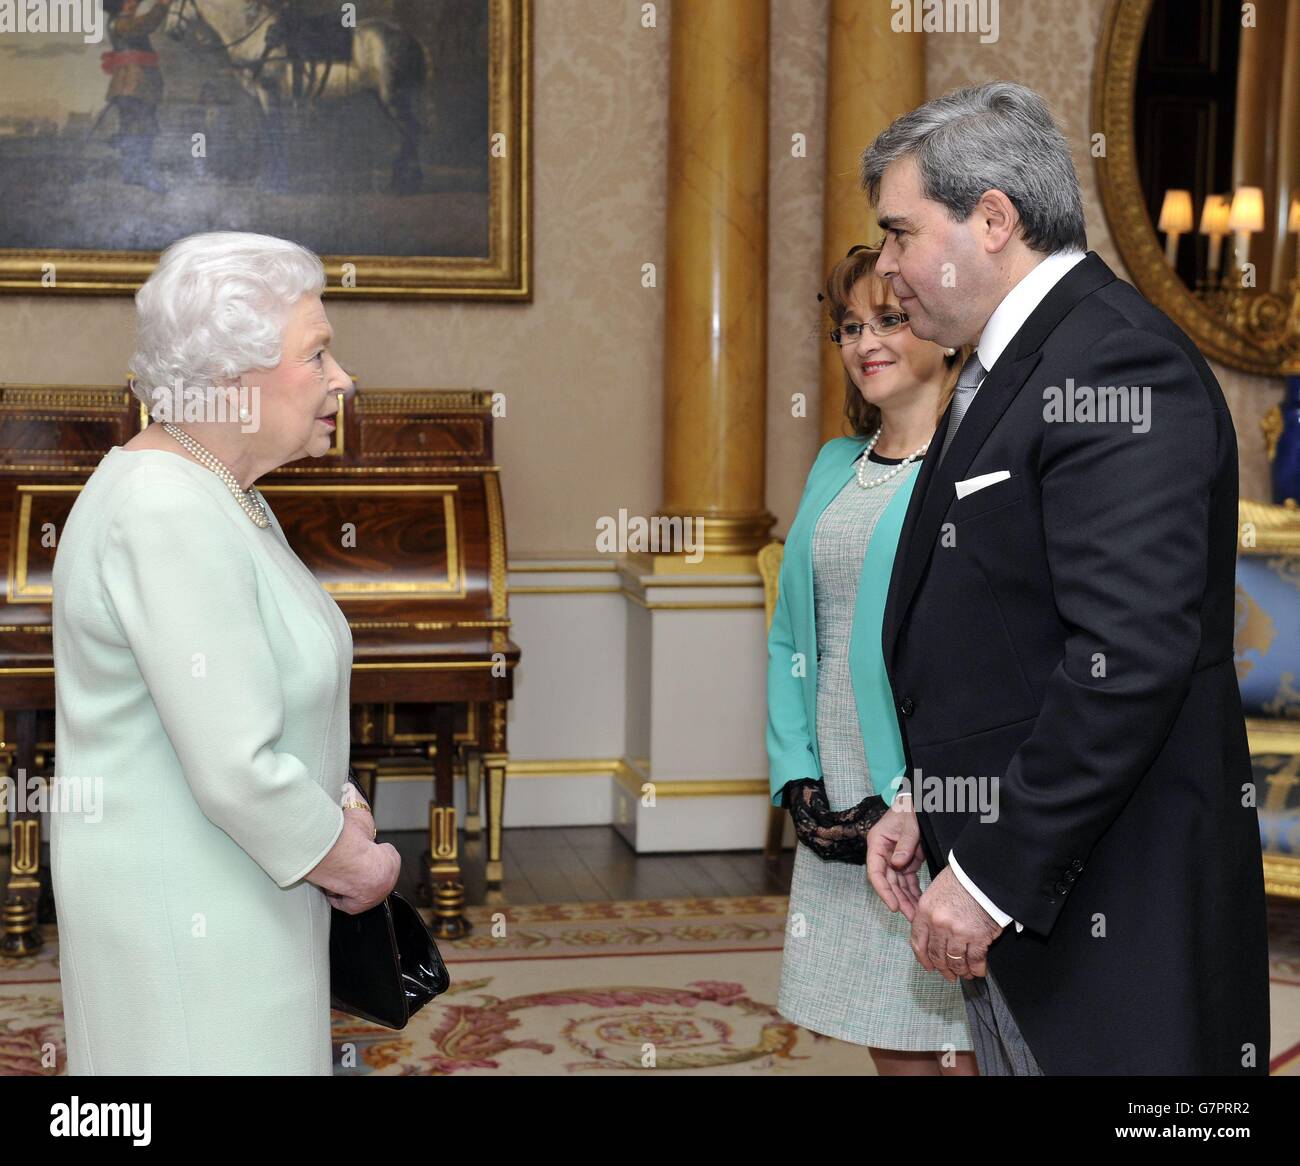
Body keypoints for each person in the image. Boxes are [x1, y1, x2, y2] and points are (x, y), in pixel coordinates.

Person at [859, 81, 1271, 1075]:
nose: (885, 267)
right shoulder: (1015, 361)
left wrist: (991, 876)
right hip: (1042, 894)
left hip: (1112, 907)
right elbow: (1014, 633)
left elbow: (1125, 657)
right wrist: (937, 799)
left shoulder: (1116, 361)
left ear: (991, 219)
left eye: (899, 232)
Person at [50, 231, 401, 1074]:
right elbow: (236, 763)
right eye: (317, 354)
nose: (342, 378)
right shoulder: (168, 506)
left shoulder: (219, 492)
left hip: (240, 889)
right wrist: (353, 860)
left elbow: (275, 687)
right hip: (190, 917)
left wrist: (339, 801)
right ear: (234, 379)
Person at [768, 244, 977, 1076]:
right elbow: (790, 635)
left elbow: (974, 654)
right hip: (839, 792)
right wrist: (800, 779)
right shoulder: (830, 466)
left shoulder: (972, 474)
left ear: (946, 331)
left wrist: (922, 791)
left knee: (964, 1033)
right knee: (883, 1027)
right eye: (850, 326)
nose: (865, 342)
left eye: (889, 319)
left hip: (931, 790)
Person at [100, 0, 173, 193]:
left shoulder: (120, 21)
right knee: (144, 130)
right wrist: (163, 5)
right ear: (123, 4)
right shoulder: (123, 23)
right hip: (134, 87)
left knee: (133, 129)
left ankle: (131, 173)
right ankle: (145, 176)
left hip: (132, 87)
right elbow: (147, 23)